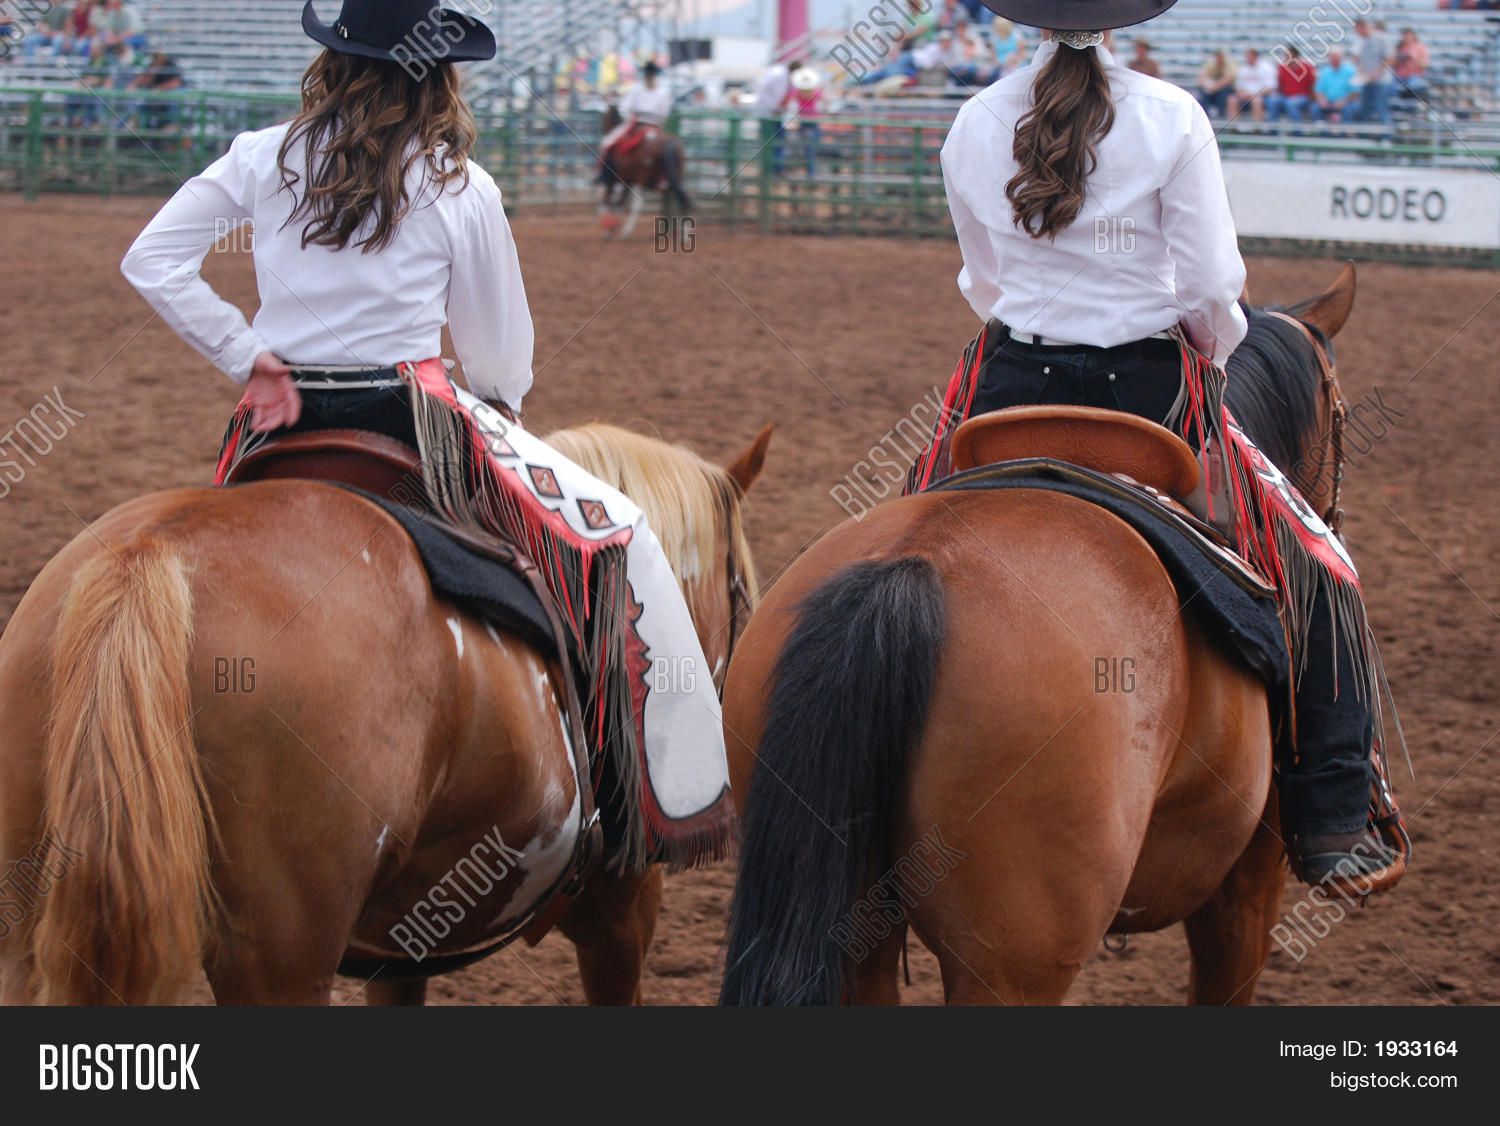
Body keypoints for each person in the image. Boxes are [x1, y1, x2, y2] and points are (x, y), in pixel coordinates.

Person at [119, 0, 729, 823]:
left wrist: (245, 354)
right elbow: (499, 357)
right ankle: (675, 797)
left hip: (279, 417)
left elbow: (151, 258)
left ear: (333, 59)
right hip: (413, 415)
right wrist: (502, 405)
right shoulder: (459, 185)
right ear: (436, 74)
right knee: (622, 535)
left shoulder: (262, 157)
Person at [933, 0, 1404, 888]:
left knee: (907, 534)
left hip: (1005, 393)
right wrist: (1217, 351)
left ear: (1026, 21)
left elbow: (982, 277)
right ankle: (1335, 818)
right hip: (1148, 398)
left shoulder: (975, 118)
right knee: (1321, 560)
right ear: (1119, 20)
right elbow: (1215, 284)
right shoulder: (1171, 114)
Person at [599, 58, 671, 184]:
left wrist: (627, 118)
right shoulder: (662, 91)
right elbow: (665, 112)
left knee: (607, 142)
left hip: (638, 123)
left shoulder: (637, 88)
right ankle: (663, 179)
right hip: (656, 124)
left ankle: (604, 175)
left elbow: (625, 107)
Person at [750, 55, 790, 175]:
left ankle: (771, 169)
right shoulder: (780, 75)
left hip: (769, 113)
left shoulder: (776, 73)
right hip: (770, 114)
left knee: (771, 143)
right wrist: (776, 107)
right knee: (775, 143)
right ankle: (774, 169)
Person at [1352, 18, 1394, 124]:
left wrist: (1377, 73)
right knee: (1364, 108)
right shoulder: (1360, 40)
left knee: (1381, 108)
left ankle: (1385, 137)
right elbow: (1355, 56)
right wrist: (1361, 70)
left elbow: (1390, 58)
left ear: (1363, 27)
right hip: (1366, 80)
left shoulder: (1381, 38)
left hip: (1381, 81)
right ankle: (1364, 135)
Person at [1266, 44, 1317, 123]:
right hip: (1286, 97)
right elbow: (1280, 86)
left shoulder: (1307, 67)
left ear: (1295, 55)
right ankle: (1273, 130)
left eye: (1288, 55)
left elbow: (1312, 86)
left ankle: (1296, 132)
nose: (1286, 57)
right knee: (1272, 101)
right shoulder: (1282, 68)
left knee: (1292, 103)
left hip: (1303, 97)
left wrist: (1312, 100)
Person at [789, 65, 822, 176]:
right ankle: (809, 172)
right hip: (807, 122)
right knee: (808, 147)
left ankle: (809, 172)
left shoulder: (800, 92)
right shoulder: (813, 92)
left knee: (809, 148)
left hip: (809, 122)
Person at [1229, 47, 1276, 121]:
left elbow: (1270, 87)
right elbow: (1238, 87)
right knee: (1232, 100)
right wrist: (1244, 94)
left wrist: (1253, 95)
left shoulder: (1266, 67)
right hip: (1245, 96)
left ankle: (1257, 128)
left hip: (1261, 95)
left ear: (1255, 56)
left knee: (1257, 101)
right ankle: (1234, 127)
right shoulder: (1243, 68)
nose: (1247, 58)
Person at [1314, 48, 1359, 124]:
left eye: (1336, 58)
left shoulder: (1350, 71)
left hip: (1346, 103)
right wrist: (1322, 100)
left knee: (1349, 109)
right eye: (1332, 58)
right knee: (1315, 108)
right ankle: (1322, 133)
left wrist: (1343, 101)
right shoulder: (1325, 72)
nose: (1334, 60)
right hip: (1328, 103)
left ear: (1341, 58)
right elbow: (1319, 90)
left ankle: (1345, 133)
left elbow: (1355, 92)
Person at [1196, 48, 1236, 118]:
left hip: (1223, 90)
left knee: (1224, 92)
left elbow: (1227, 79)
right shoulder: (1211, 65)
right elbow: (1202, 77)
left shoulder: (1229, 65)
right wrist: (1207, 86)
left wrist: (1214, 87)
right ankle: (1206, 115)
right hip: (1213, 89)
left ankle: (1220, 114)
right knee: (1203, 92)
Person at [1392, 26, 1429, 98]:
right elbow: (1392, 63)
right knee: (1389, 87)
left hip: (1414, 76)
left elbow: (1426, 64)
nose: (1406, 37)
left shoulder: (1420, 47)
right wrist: (1400, 60)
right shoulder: (1399, 47)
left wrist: (1413, 59)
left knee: (1412, 86)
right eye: (1404, 35)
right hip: (1400, 76)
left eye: (1408, 35)